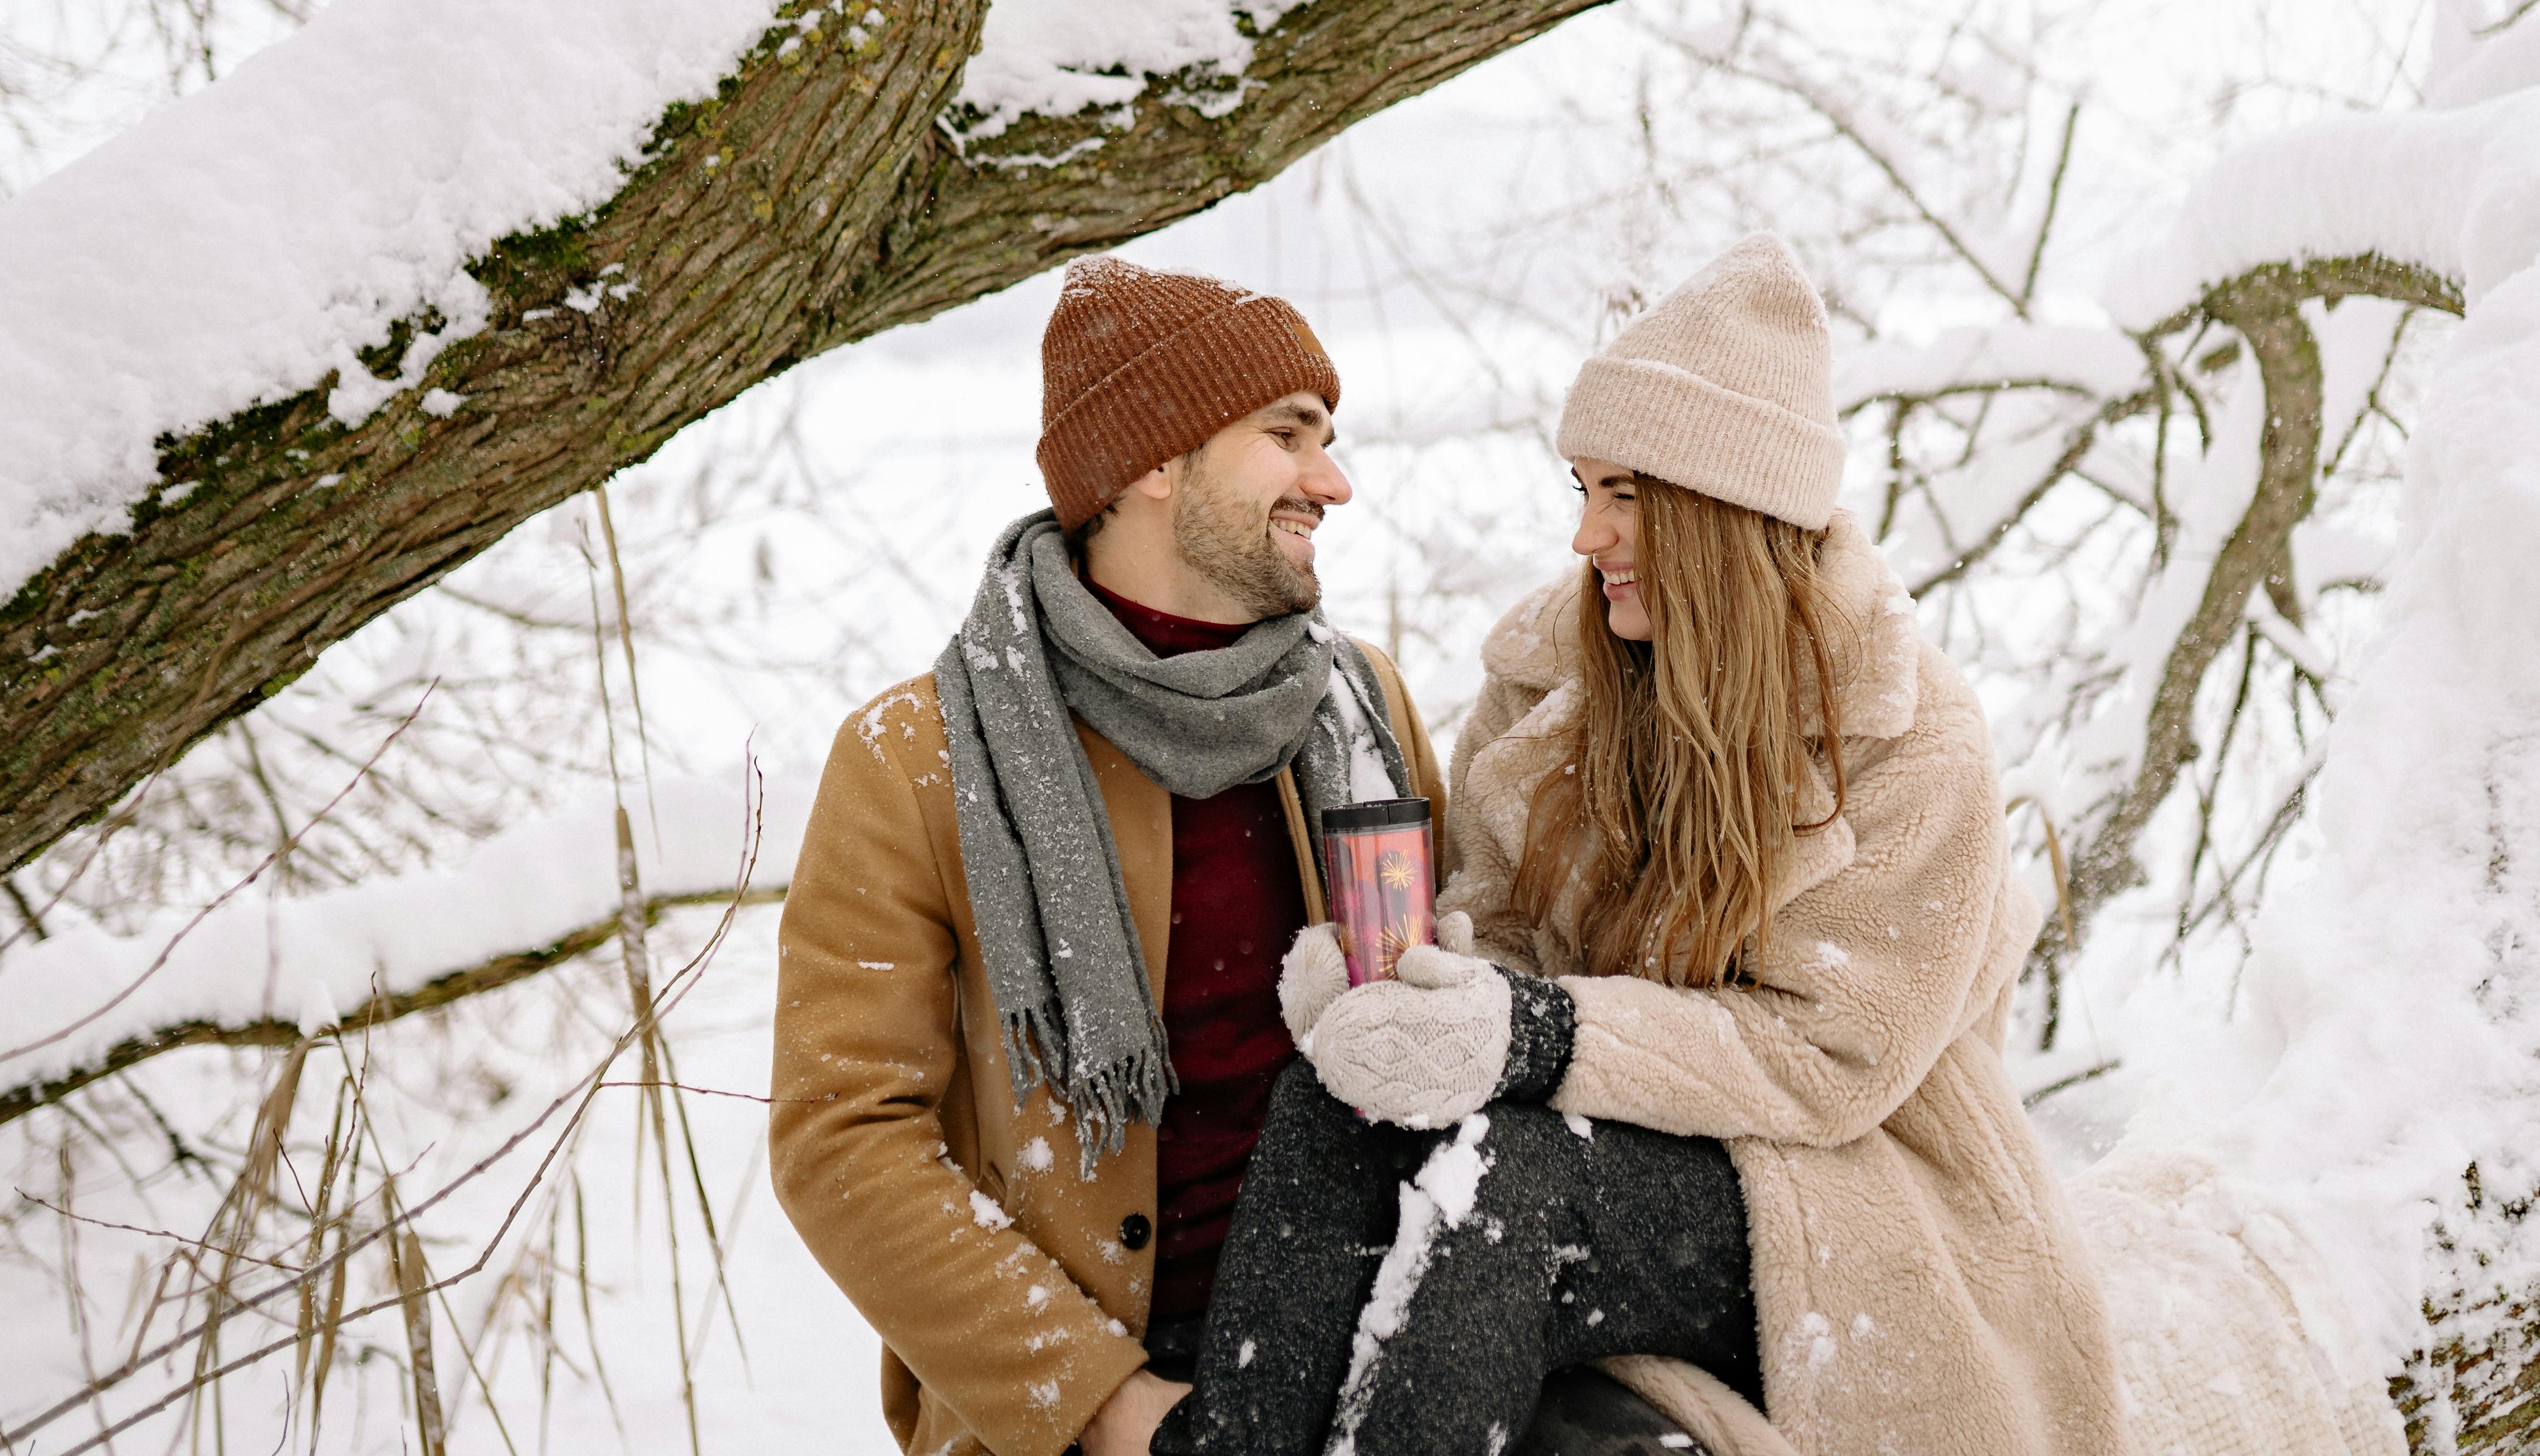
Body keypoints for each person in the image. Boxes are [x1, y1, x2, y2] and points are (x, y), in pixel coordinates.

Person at [1152, 234, 2130, 1456]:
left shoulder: (1912, 734)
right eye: (1583, 489)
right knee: (1332, 1099)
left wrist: (1537, 1034)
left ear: (1724, 511)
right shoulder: (1547, 683)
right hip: (1601, 1127)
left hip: (1834, 1189)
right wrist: (1405, 994)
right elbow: (1500, 934)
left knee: (1511, 1176)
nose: (1586, 536)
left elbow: (1831, 1061)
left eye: (1626, 496)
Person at [769, 257, 1449, 1456]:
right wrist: (1111, 1408)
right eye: (1289, 434)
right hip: (1106, 1403)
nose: (1331, 480)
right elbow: (845, 1139)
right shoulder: (917, 758)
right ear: (1152, 458)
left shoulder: (1360, 704)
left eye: (1328, 438)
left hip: (1372, 1351)